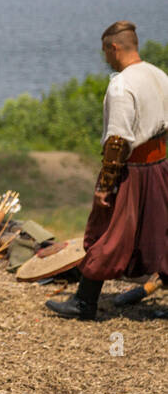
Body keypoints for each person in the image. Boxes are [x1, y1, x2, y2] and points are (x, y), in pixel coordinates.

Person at [46, 21, 168, 319]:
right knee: (164, 233)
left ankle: (84, 303)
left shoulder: (121, 84)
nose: (104, 58)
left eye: (105, 51)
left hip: (134, 171)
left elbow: (117, 141)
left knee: (107, 234)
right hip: (162, 166)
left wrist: (104, 185)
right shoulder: (159, 75)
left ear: (115, 47)